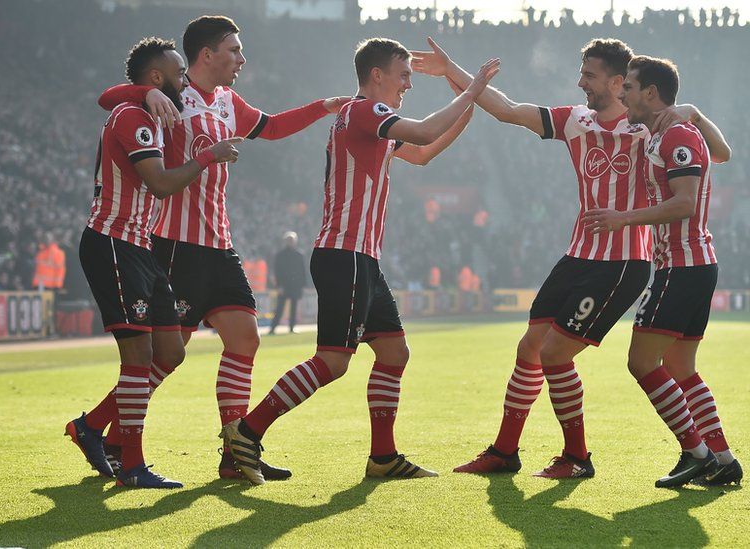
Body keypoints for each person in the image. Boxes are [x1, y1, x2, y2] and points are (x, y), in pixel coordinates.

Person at [415, 37, 731, 478]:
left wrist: (694, 111)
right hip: (578, 253)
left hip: (623, 261)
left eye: (589, 75)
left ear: (619, 82)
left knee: (555, 354)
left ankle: (578, 457)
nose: (580, 82)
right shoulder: (575, 120)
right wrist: (452, 69)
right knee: (529, 347)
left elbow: (717, 152)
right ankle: (505, 451)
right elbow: (507, 109)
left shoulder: (649, 126)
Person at [220, 38, 492, 484]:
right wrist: (472, 86)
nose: (408, 83)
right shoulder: (364, 111)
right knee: (332, 360)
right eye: (402, 74)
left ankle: (382, 457)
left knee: (393, 352)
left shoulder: (374, 123)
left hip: (361, 257)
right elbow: (422, 133)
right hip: (343, 254)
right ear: (376, 75)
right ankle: (248, 432)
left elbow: (422, 153)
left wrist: (469, 104)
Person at [97, 15, 351, 481]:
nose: (241, 58)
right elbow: (112, 98)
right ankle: (102, 430)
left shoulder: (228, 101)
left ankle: (233, 452)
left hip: (219, 244)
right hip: (174, 245)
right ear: (206, 54)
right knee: (166, 357)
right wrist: (145, 92)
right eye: (233, 50)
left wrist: (325, 106)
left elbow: (272, 126)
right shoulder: (173, 90)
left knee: (245, 339)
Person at [65, 37, 242, 489]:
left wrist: (148, 92)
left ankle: (91, 427)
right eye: (178, 73)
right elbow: (161, 184)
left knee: (171, 351)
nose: (185, 79)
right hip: (112, 242)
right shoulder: (133, 117)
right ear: (158, 78)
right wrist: (207, 156)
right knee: (140, 355)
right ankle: (131, 463)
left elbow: (115, 92)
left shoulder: (154, 109)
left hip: (141, 246)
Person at [583, 56, 740, 487]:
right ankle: (722, 458)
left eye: (629, 88)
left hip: (681, 268)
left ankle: (698, 452)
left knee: (641, 361)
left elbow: (685, 203)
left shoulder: (675, 137)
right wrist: (697, 114)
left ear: (651, 93)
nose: (622, 95)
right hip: (693, 266)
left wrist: (623, 218)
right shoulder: (666, 132)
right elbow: (723, 154)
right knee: (681, 367)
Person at [268, 231, 306, 334]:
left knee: (294, 308)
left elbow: (302, 271)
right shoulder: (280, 255)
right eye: (289, 240)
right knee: (279, 308)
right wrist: (279, 286)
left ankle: (291, 327)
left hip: (295, 286)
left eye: (292, 240)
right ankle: (273, 328)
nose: (291, 242)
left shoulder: (299, 255)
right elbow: (277, 271)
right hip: (284, 286)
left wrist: (302, 285)